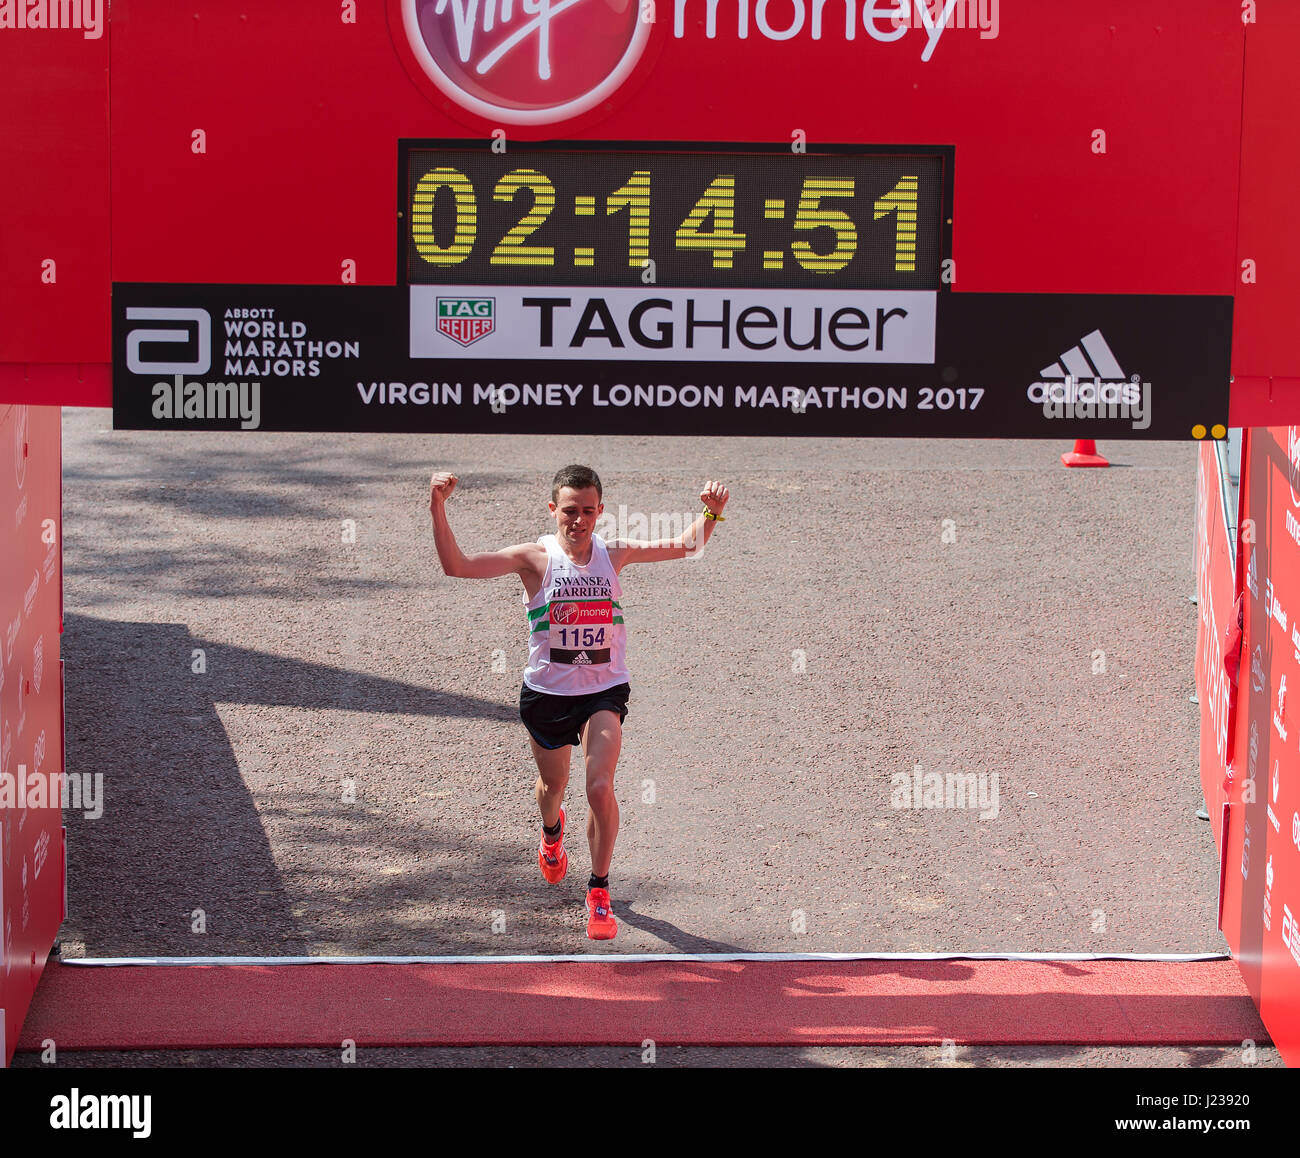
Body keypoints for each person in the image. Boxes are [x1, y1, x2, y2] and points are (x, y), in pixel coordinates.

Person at [429, 464, 729, 939]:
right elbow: (458, 566)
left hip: (603, 692)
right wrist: (438, 507)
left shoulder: (614, 554)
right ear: (553, 510)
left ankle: (599, 890)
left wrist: (711, 515)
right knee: (553, 787)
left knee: (598, 786)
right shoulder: (533, 558)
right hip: (548, 694)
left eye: (588, 511)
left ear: (600, 512)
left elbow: (686, 545)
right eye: (570, 510)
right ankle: (552, 834)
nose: (579, 520)